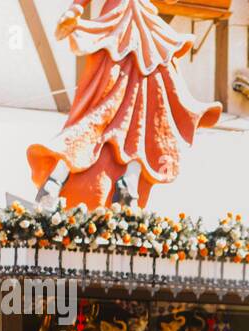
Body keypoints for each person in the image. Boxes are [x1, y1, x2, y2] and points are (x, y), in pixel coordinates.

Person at [30, 1, 221, 210]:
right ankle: (59, 177)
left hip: (145, 32)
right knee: (100, 111)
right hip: (120, 28)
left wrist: (74, 10)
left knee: (147, 111)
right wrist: (74, 10)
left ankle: (129, 181)